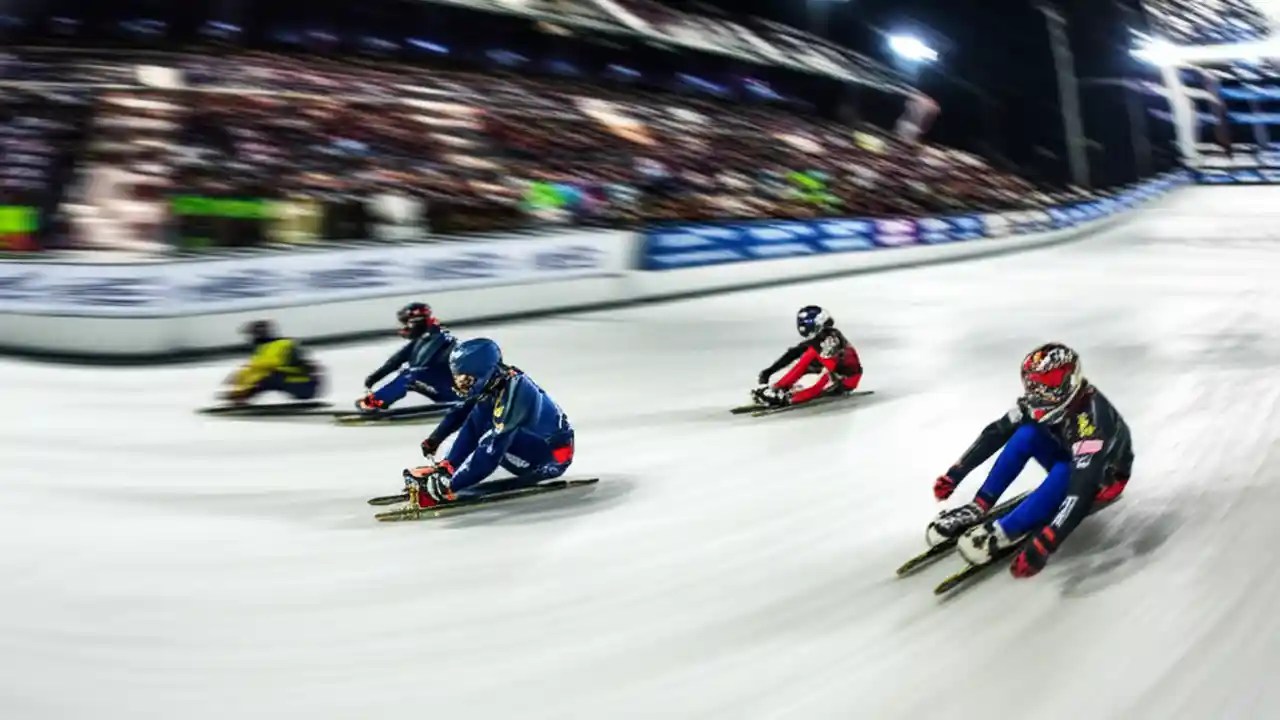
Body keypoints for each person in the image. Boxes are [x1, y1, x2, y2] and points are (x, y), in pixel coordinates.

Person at [928, 343, 1133, 578]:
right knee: (1026, 434)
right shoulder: (1038, 402)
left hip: (1104, 477)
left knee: (1067, 470)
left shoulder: (1091, 421)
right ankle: (980, 505)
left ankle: (1006, 531)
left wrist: (1046, 542)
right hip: (1070, 452)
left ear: (1071, 381)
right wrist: (955, 475)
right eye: (1034, 384)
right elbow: (996, 432)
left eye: (1050, 383)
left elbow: (1083, 485)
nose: (1040, 393)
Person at [404, 338, 574, 508]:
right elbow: (463, 415)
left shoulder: (517, 395)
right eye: (458, 380)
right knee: (479, 415)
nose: (462, 387)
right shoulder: (495, 381)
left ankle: (449, 481)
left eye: (467, 381)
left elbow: (491, 450)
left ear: (484, 373)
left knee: (490, 433)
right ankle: (448, 471)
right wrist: (438, 446)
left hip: (551, 458)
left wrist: (451, 485)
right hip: (534, 444)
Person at [355, 302, 459, 412]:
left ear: (416, 322)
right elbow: (395, 361)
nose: (404, 328)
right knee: (411, 374)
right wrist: (374, 377)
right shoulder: (422, 341)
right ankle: (376, 400)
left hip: (452, 393)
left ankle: (375, 402)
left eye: (406, 323)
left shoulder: (440, 339)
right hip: (444, 389)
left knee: (410, 376)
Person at [752, 305, 863, 408]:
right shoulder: (819, 339)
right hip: (836, 371)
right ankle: (779, 388)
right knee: (806, 357)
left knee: (812, 361)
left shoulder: (830, 341)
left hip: (846, 379)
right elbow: (794, 354)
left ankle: (787, 396)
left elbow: (827, 376)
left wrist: (793, 397)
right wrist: (770, 371)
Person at [221, 320, 323, 403]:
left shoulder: (281, 344)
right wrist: (240, 377)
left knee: (266, 378)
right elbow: (256, 368)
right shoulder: (264, 348)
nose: (250, 339)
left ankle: (242, 398)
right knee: (264, 378)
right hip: (296, 382)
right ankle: (241, 398)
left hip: (302, 384)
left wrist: (241, 380)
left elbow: (269, 364)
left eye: (252, 335)